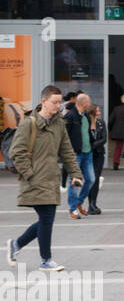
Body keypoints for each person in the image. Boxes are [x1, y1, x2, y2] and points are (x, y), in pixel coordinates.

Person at [8, 85, 83, 272]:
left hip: (51, 179)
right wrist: (30, 174)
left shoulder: (58, 124)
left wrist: (75, 174)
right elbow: (15, 152)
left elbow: (66, 151)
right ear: (43, 102)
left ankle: (16, 245)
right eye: (54, 102)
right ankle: (45, 259)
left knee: (46, 219)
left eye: (60, 102)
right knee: (47, 218)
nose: (58, 106)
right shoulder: (29, 123)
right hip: (34, 180)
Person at [63, 93, 95, 220]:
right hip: (76, 154)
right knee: (74, 182)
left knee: (91, 179)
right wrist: (70, 151)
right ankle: (72, 209)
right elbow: (64, 136)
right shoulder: (70, 116)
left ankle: (79, 202)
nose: (89, 105)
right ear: (84, 103)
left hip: (88, 153)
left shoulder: (85, 115)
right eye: (88, 102)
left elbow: (87, 132)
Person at [85, 104, 107, 215]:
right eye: (97, 110)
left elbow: (104, 138)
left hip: (98, 154)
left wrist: (93, 145)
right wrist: (89, 147)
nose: (99, 112)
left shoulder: (101, 123)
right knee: (90, 178)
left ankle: (93, 203)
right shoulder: (86, 122)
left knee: (96, 178)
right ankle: (89, 203)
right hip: (88, 154)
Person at [108, 92, 124, 171]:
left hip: (118, 132)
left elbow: (110, 121)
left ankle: (116, 163)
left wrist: (110, 130)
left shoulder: (116, 108)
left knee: (118, 147)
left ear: (122, 100)